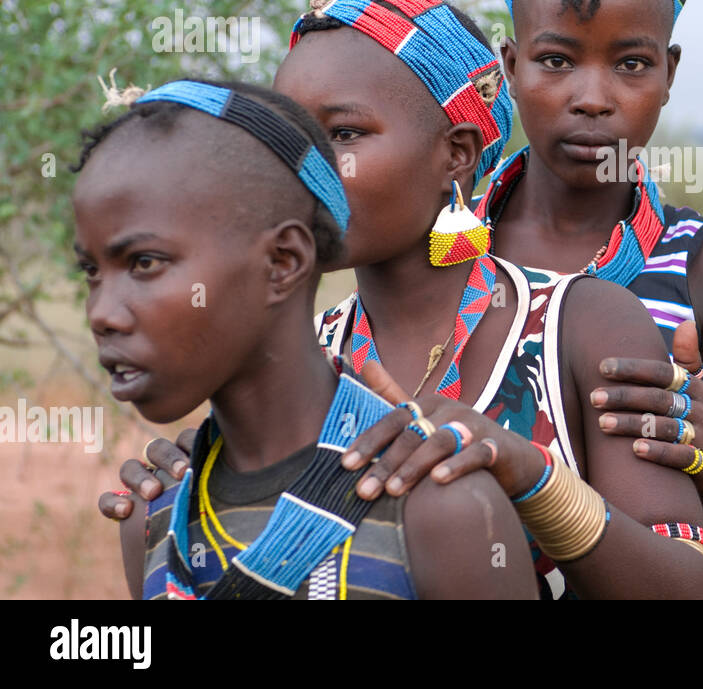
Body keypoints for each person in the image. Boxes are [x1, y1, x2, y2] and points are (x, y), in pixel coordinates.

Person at [102, 0, 703, 600]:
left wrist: (528, 474)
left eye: (342, 135)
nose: (302, 166)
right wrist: (186, 507)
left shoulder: (581, 322)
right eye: (286, 139)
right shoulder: (306, 356)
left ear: (455, 155)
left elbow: (686, 586)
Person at [75, 78, 534, 599]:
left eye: (145, 263)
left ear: (282, 262)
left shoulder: (439, 510)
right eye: (91, 271)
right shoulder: (155, 521)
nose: (102, 314)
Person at [480, 0, 703, 587]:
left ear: (669, 72)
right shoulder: (442, 254)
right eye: (556, 60)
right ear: (508, 65)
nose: (593, 99)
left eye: (631, 64)